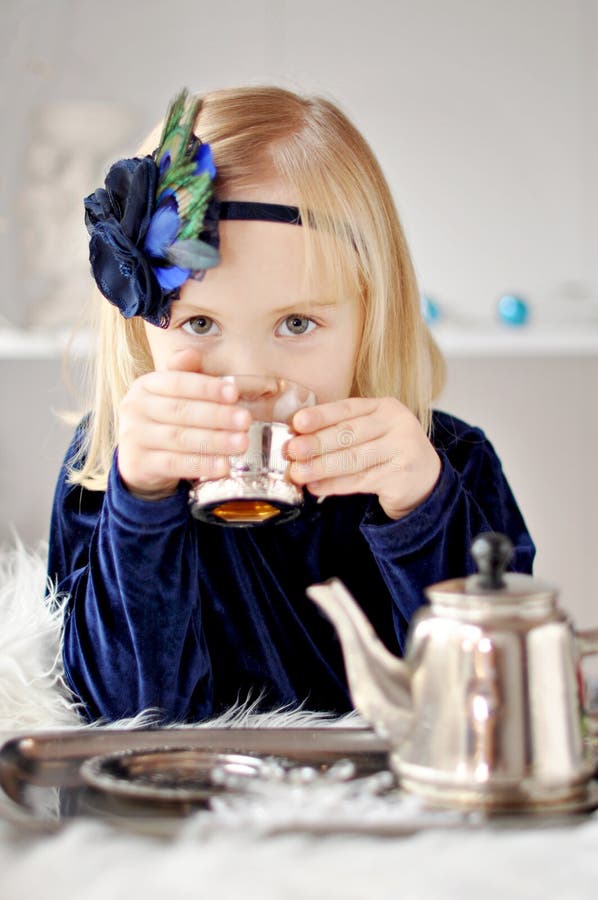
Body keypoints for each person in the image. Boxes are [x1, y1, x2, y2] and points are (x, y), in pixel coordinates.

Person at [48, 86, 535, 723]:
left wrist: (423, 512)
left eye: (297, 324)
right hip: (186, 817)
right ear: (143, 323)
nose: (250, 378)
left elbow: (499, 703)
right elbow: (119, 718)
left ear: (372, 315)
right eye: (199, 324)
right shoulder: (108, 466)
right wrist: (140, 504)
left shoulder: (447, 465)